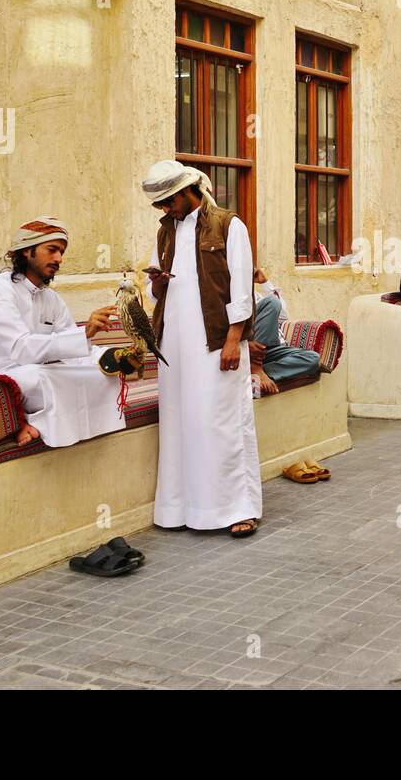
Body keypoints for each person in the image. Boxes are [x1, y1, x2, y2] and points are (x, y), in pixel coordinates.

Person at [142, 160, 261, 539]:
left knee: (221, 422)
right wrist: (157, 285)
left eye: (169, 201)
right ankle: (182, 509)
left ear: (188, 190)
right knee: (180, 423)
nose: (165, 209)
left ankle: (238, 508)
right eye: (160, 204)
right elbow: (153, 291)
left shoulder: (229, 224)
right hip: (173, 344)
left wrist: (232, 340)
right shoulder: (165, 233)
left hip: (215, 341)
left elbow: (242, 290)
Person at [0, 217, 127, 448]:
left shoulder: (51, 298)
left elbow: (72, 350)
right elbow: (20, 348)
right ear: (27, 251)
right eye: (52, 250)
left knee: (100, 376)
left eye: (61, 252)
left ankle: (34, 422)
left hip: (27, 369)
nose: (59, 258)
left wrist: (115, 356)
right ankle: (27, 422)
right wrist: (84, 333)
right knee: (41, 379)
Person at [248, 268, 321, 396]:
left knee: (313, 359)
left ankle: (260, 372)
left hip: (272, 349)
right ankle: (255, 366)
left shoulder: (257, 296)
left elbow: (283, 316)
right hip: (253, 349)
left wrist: (264, 283)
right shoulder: (235, 298)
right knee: (272, 302)